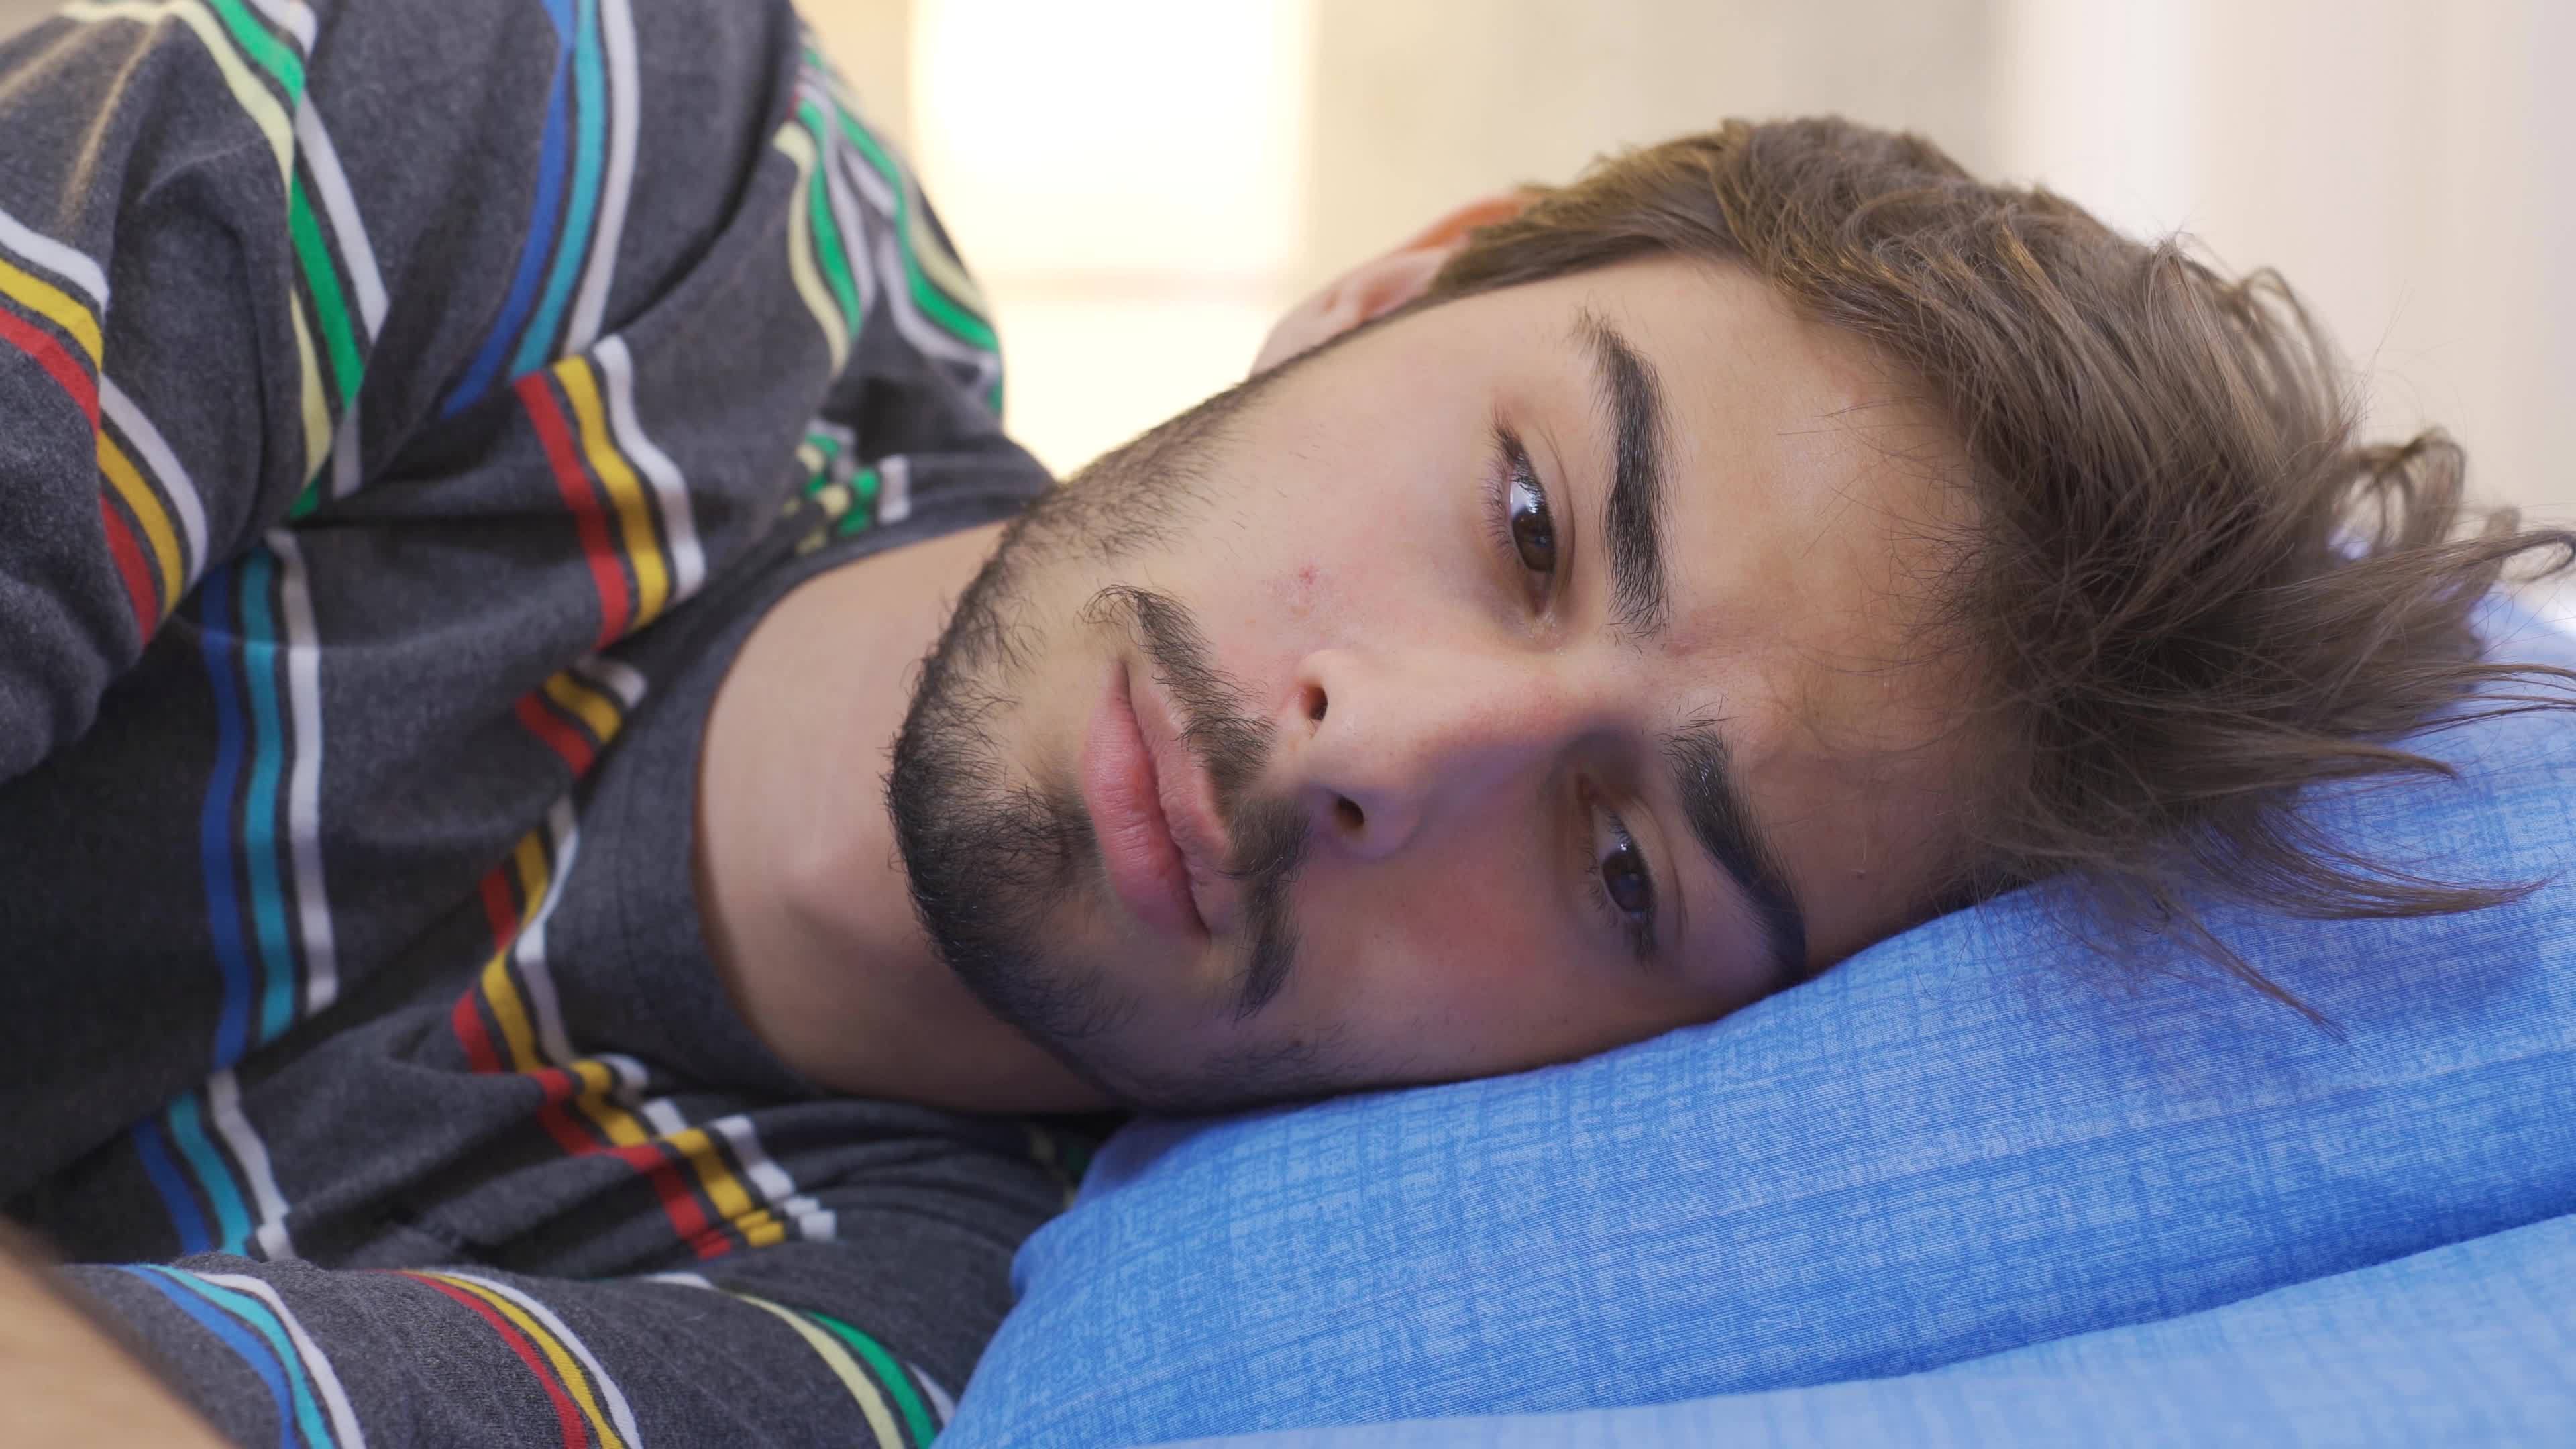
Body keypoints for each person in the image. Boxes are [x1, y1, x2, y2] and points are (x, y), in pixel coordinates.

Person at [5, 0, 2570, 1443]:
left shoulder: (907, 1355)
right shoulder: (627, 172)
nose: (1386, 743)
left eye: (1618, 873)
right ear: (1389, 292)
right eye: (1538, 519)